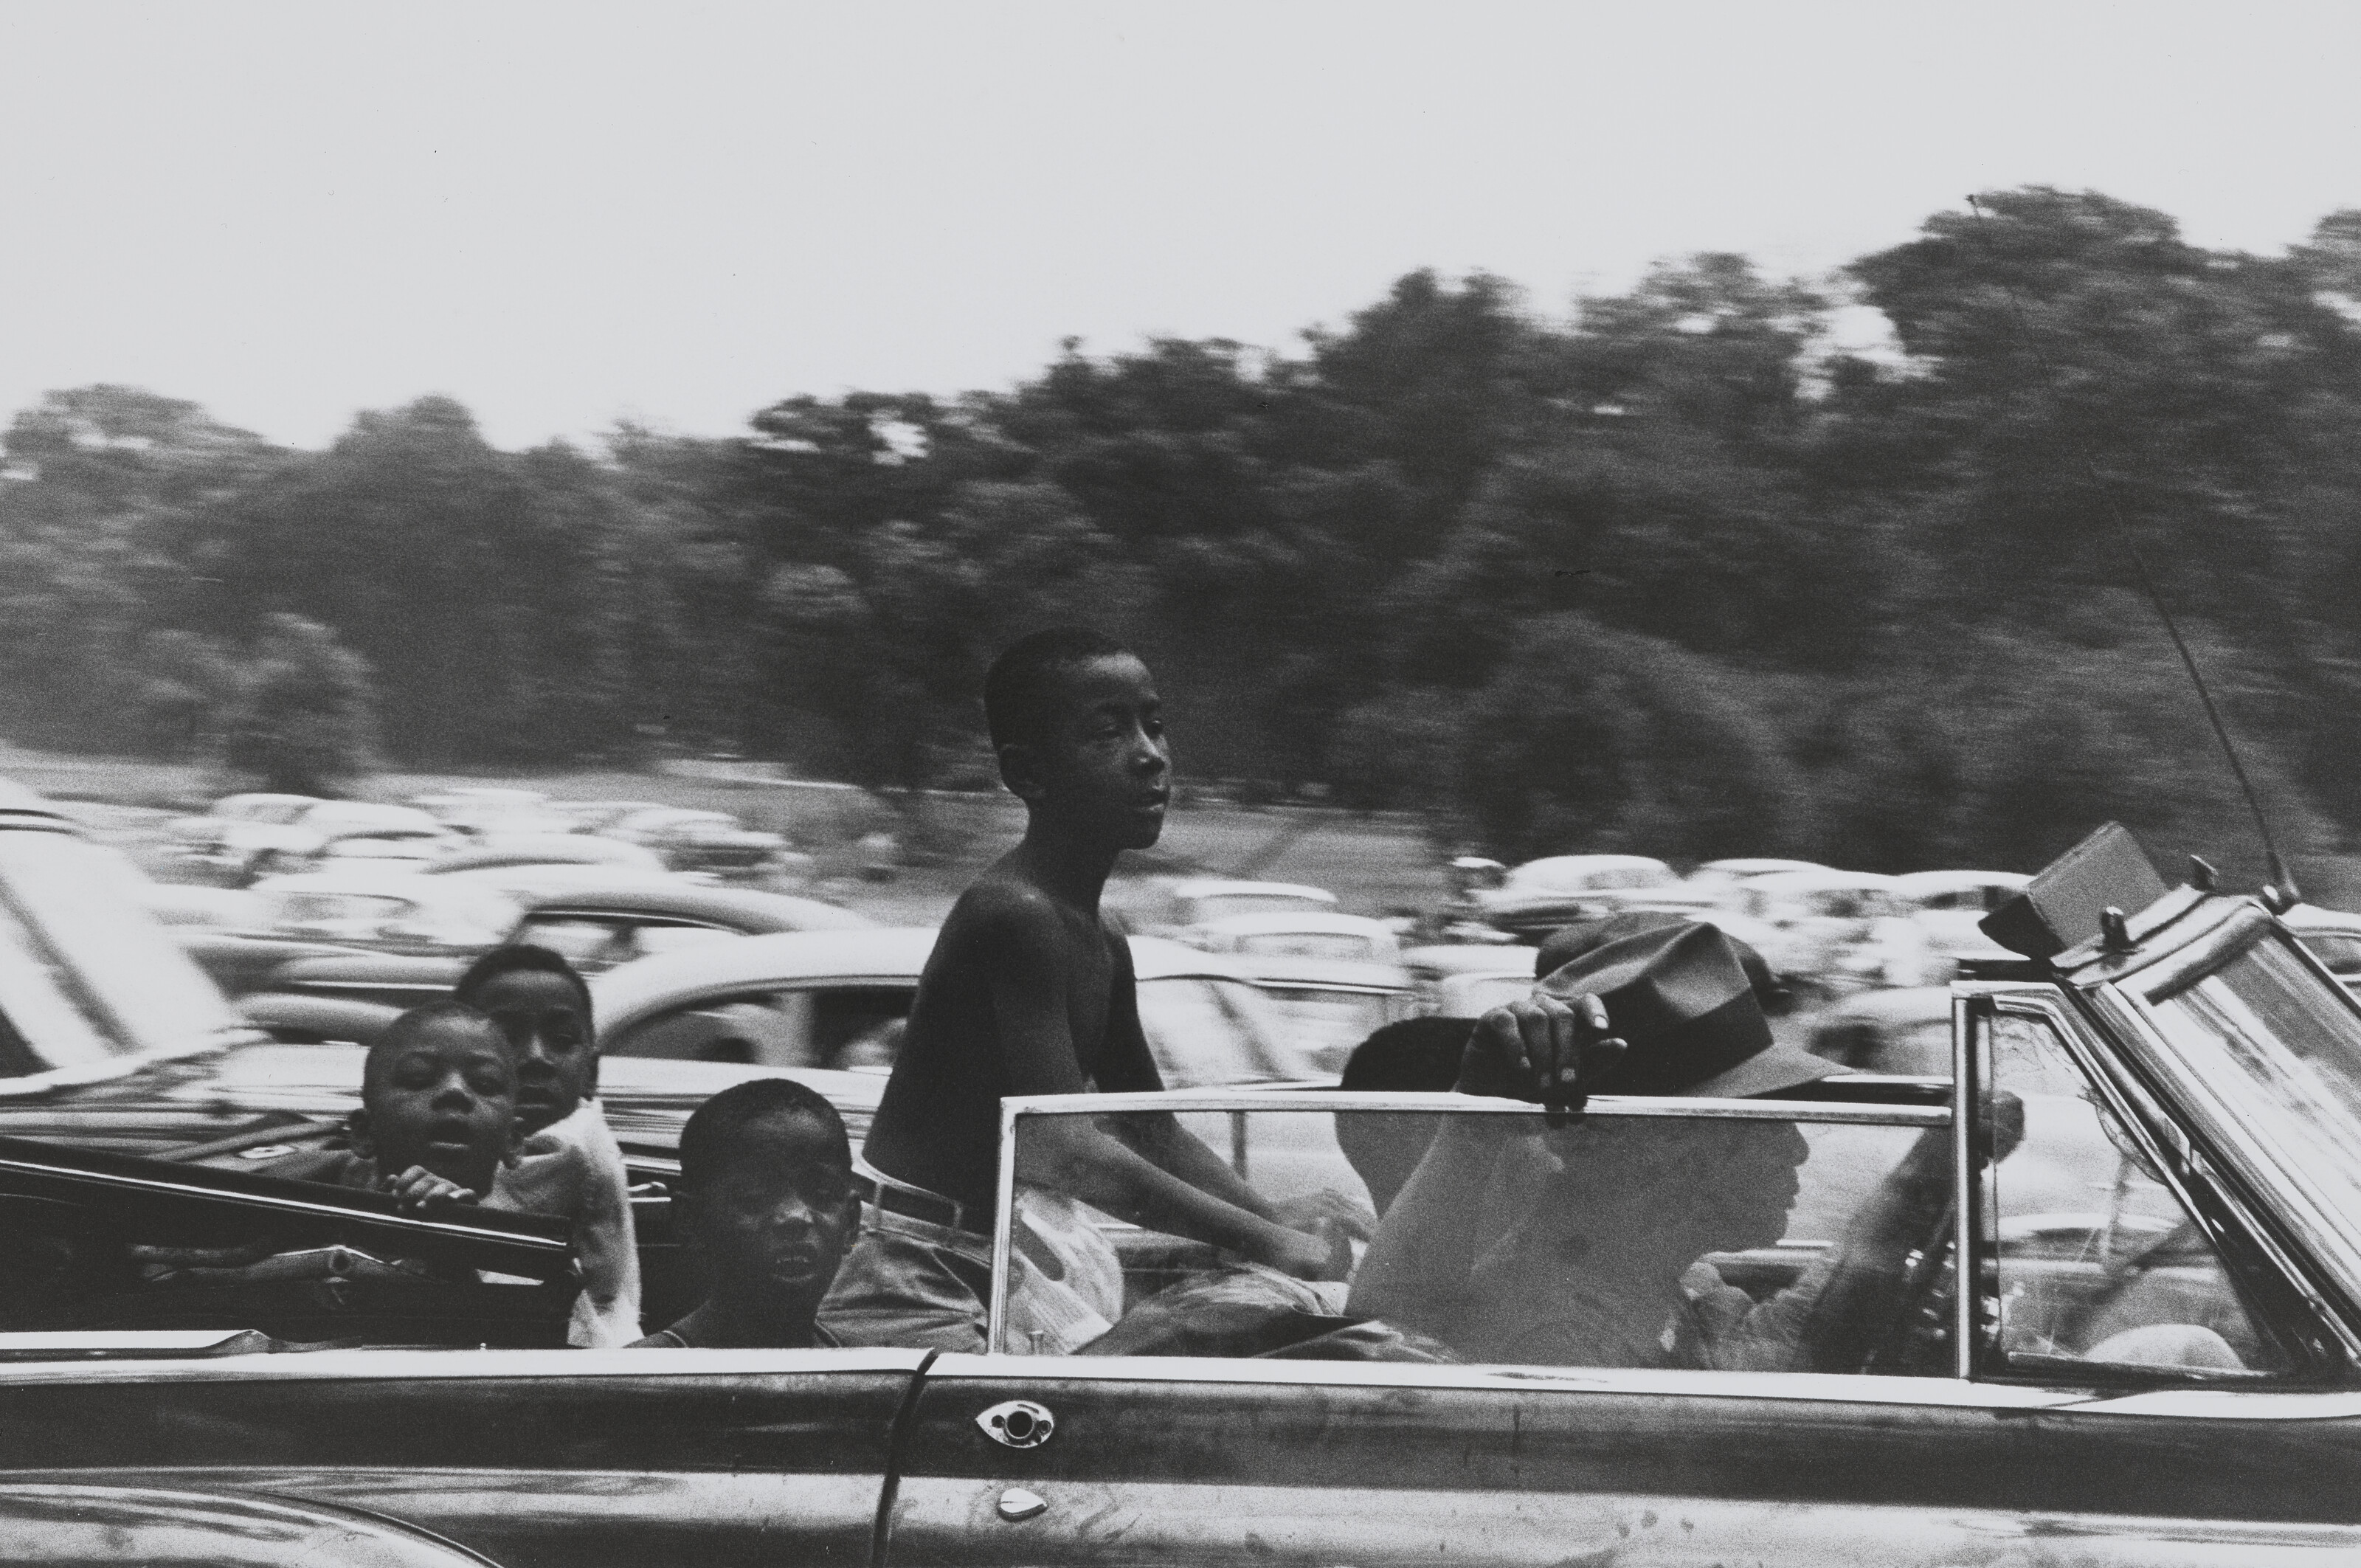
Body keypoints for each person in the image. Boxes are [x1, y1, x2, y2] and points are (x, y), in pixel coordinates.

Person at [822, 626, 1357, 1353]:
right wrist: (1267, 1238)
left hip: (1000, 1260)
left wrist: (1271, 1215)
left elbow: (1148, 1128)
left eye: (1154, 725)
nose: (1149, 754)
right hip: (913, 1273)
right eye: (1108, 733)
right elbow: (1063, 1150)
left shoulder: (1100, 933)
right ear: (1027, 773)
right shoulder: (1013, 914)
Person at [1348, 919, 1971, 1372]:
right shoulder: (1561, 1337)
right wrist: (1917, 1186)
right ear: (1657, 1146)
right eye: (1760, 1118)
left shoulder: (1645, 1279)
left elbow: (1771, 1355)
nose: (1797, 1147)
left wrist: (1927, 1181)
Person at [456, 945, 642, 1348]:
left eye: (561, 1040)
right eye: (508, 1038)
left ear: (591, 1073)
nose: (537, 1057)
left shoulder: (571, 1146)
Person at [632, 1080, 860, 1349]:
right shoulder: (641, 1370)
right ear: (691, 1221)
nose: (795, 1216)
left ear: (851, 1223)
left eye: (821, 1193)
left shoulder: (870, 1366)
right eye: (755, 1196)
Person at [264, 1000, 525, 1218]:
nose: (455, 1091)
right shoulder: (291, 1198)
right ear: (364, 1133)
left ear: (513, 1142)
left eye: (485, 1084)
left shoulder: (537, 1234)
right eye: (418, 1080)